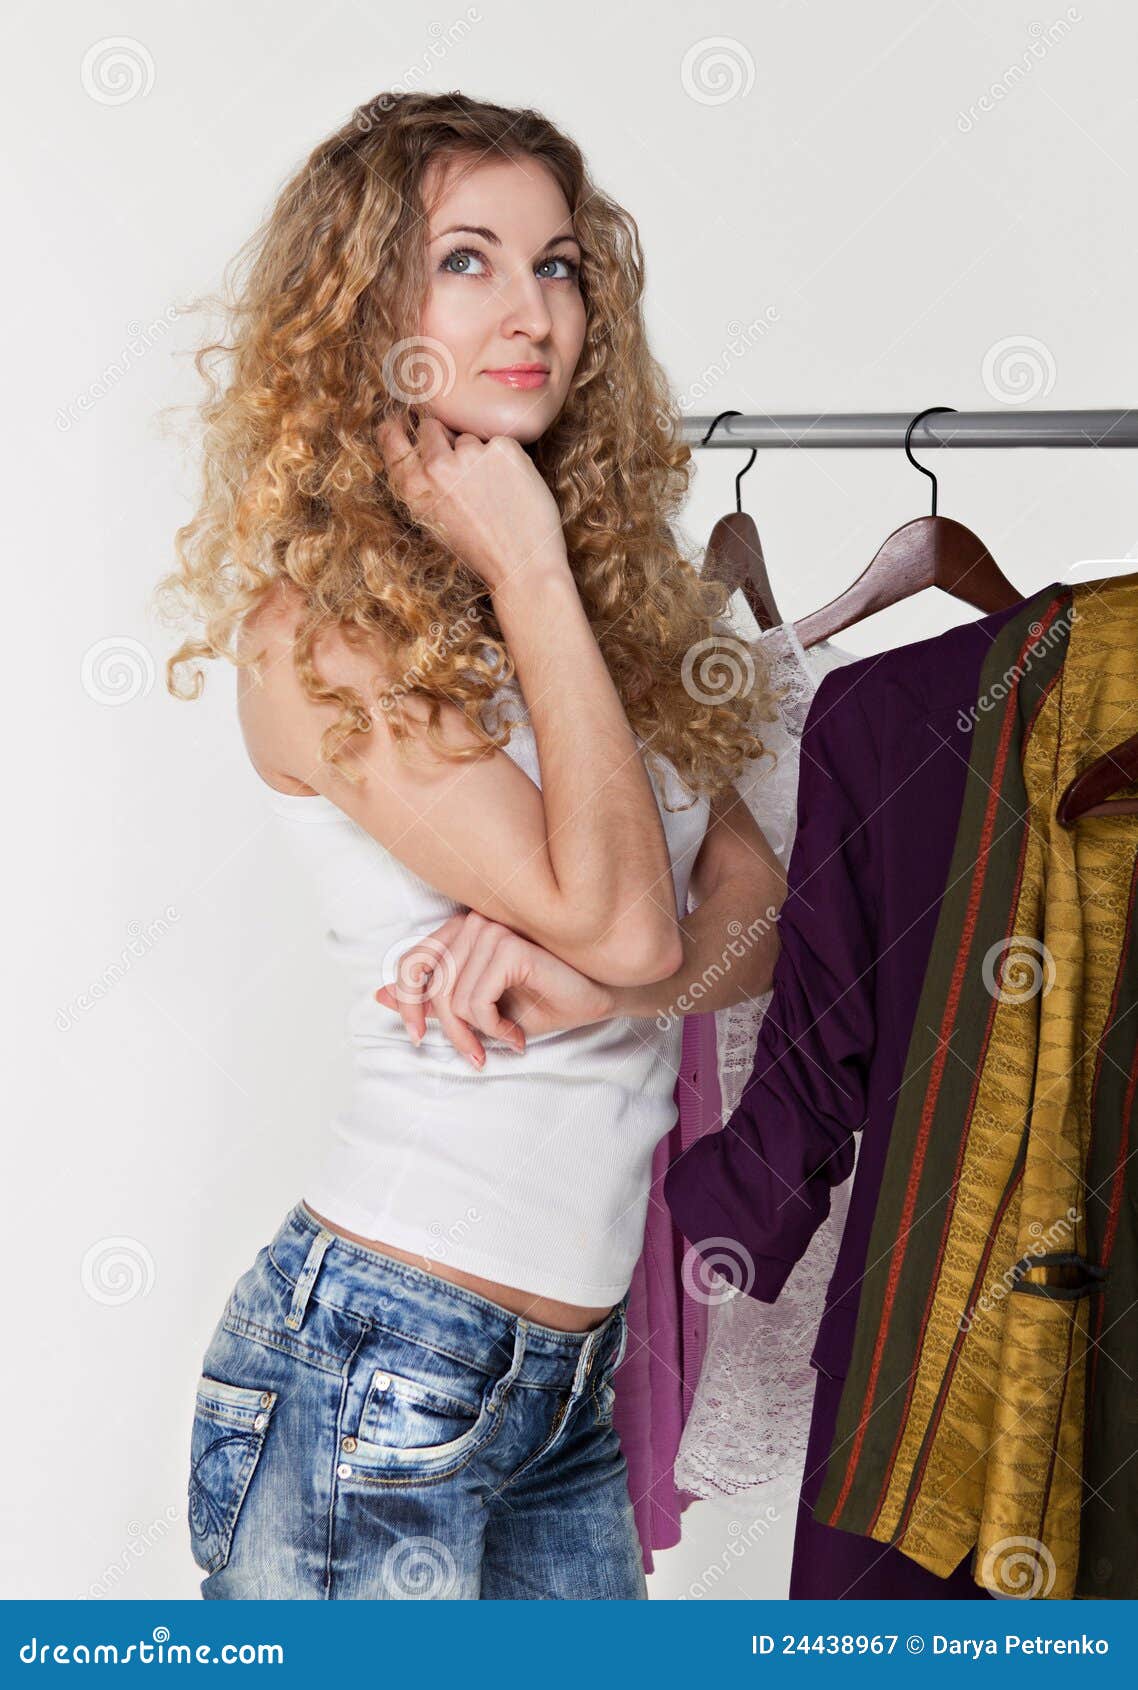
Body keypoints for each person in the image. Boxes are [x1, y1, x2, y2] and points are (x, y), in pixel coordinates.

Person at [156, 90, 785, 1600]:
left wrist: (609, 992)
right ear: (365, 310)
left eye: (559, 265)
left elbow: (757, 893)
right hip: (378, 1356)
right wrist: (524, 566)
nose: (531, 310)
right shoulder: (328, 636)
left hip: (565, 1367)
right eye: (467, 260)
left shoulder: (608, 615)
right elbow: (641, 922)